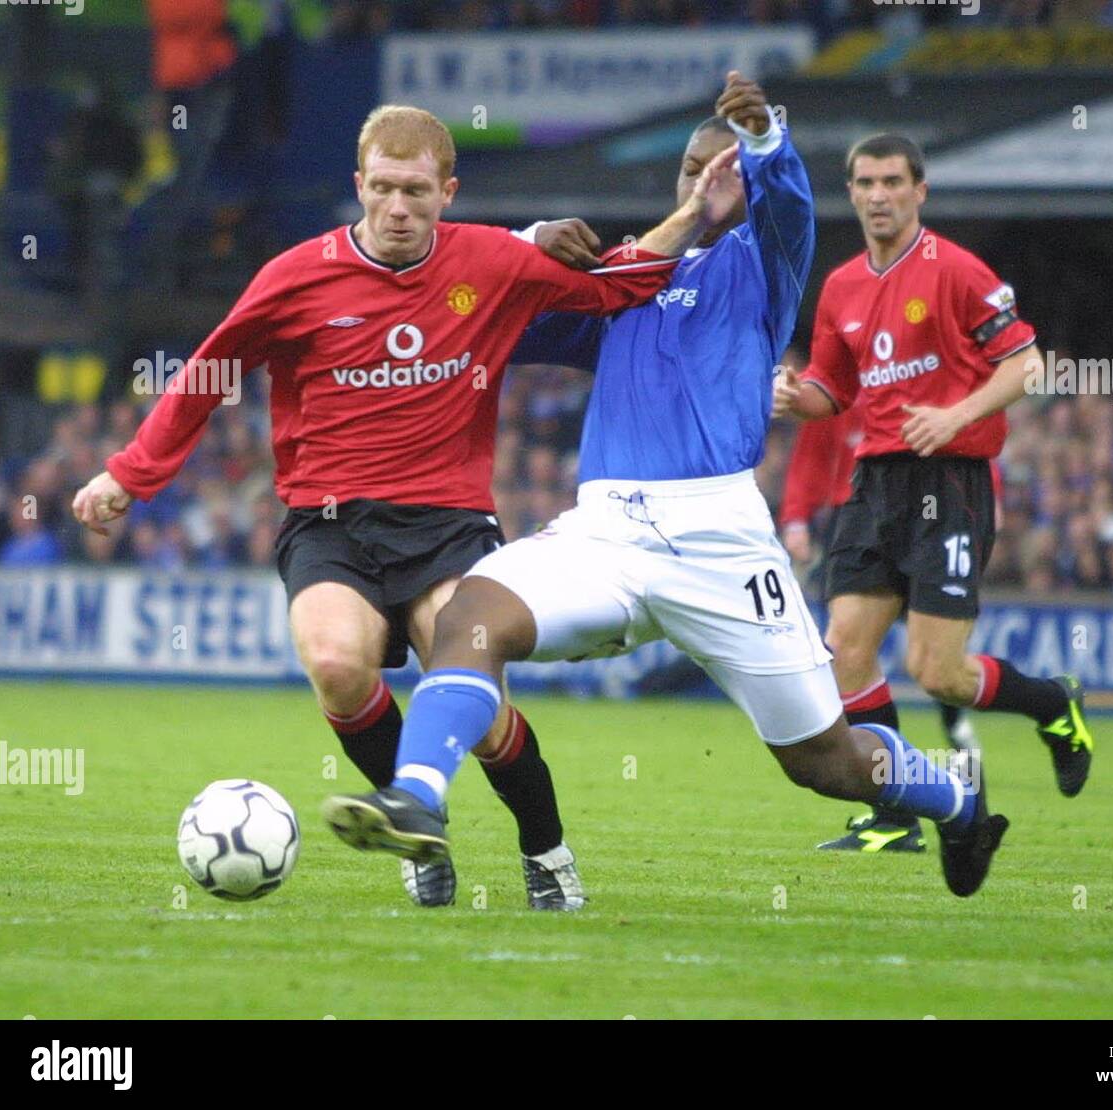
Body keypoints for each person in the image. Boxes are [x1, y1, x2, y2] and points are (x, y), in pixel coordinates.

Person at [323, 74, 1011, 900]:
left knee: (822, 763)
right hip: (606, 532)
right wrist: (530, 236)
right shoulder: (620, 276)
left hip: (720, 538)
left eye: (722, 170)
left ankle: (959, 802)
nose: (705, 181)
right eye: (692, 170)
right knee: (473, 613)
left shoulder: (763, 263)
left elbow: (788, 204)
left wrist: (764, 142)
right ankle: (419, 800)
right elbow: (478, 302)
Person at [71, 103, 712, 911]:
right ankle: (418, 824)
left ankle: (545, 851)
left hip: (448, 524)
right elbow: (209, 369)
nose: (398, 208)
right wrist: (128, 475)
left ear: (448, 191)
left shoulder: (491, 261)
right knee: (336, 666)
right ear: (359, 186)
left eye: (415, 191)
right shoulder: (296, 275)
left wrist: (695, 210)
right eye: (382, 189)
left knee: (476, 704)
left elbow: (621, 282)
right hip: (328, 525)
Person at [773, 133, 1093, 852]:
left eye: (893, 181)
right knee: (845, 653)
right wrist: (800, 398)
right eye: (865, 182)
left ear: (920, 191)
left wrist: (957, 414)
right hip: (875, 482)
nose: (878, 195)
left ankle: (1053, 704)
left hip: (950, 481)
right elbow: (835, 388)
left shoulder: (956, 270)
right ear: (851, 192)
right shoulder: (842, 285)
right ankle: (894, 810)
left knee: (937, 672)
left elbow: (1028, 364)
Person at [777, 399, 985, 853]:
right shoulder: (840, 374)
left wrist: (993, 498)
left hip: (936, 508)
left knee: (934, 657)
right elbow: (812, 450)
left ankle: (962, 745)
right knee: (847, 650)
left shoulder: (927, 367)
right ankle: (897, 813)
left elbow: (976, 415)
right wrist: (796, 516)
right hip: (854, 513)